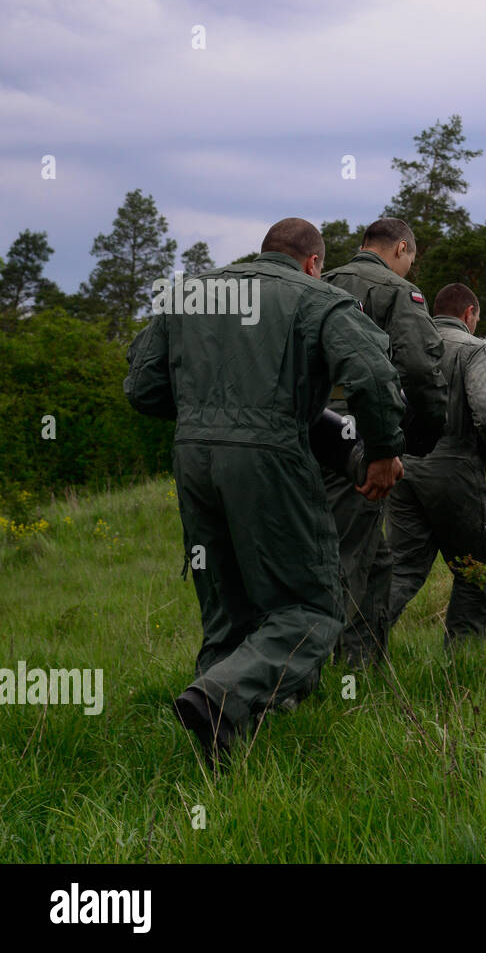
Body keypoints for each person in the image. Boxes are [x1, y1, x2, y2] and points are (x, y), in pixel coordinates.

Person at [124, 218, 406, 765]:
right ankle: (220, 696)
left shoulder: (193, 294)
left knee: (227, 608)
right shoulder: (316, 297)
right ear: (313, 262)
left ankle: (218, 747)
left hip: (193, 458)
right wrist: (381, 451)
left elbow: (142, 386)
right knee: (312, 608)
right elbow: (372, 373)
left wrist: (206, 417)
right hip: (270, 455)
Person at [321, 218, 448, 669]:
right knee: (345, 560)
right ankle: (309, 672)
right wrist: (413, 440)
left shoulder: (319, 282)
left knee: (376, 561)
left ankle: (363, 667)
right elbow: (419, 370)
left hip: (313, 437)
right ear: (400, 249)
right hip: (362, 445)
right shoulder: (395, 292)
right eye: (411, 259)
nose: (410, 268)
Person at [388, 283, 486, 643]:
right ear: (469, 314)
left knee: (401, 568)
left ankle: (358, 649)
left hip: (401, 469)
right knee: (474, 570)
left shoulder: (403, 347)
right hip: (454, 469)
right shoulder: (476, 351)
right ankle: (464, 657)